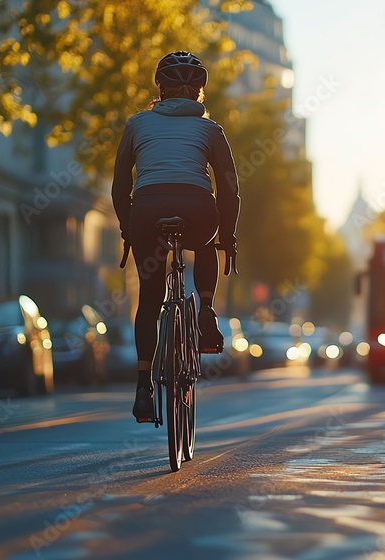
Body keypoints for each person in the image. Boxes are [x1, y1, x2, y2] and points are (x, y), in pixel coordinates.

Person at [111, 51, 240, 421]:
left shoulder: (137, 124)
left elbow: (121, 184)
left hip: (147, 211)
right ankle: (206, 308)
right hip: (198, 209)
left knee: (149, 301)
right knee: (204, 244)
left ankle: (142, 386)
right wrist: (227, 236)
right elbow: (230, 188)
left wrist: (127, 226)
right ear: (200, 93)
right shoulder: (211, 130)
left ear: (160, 90)